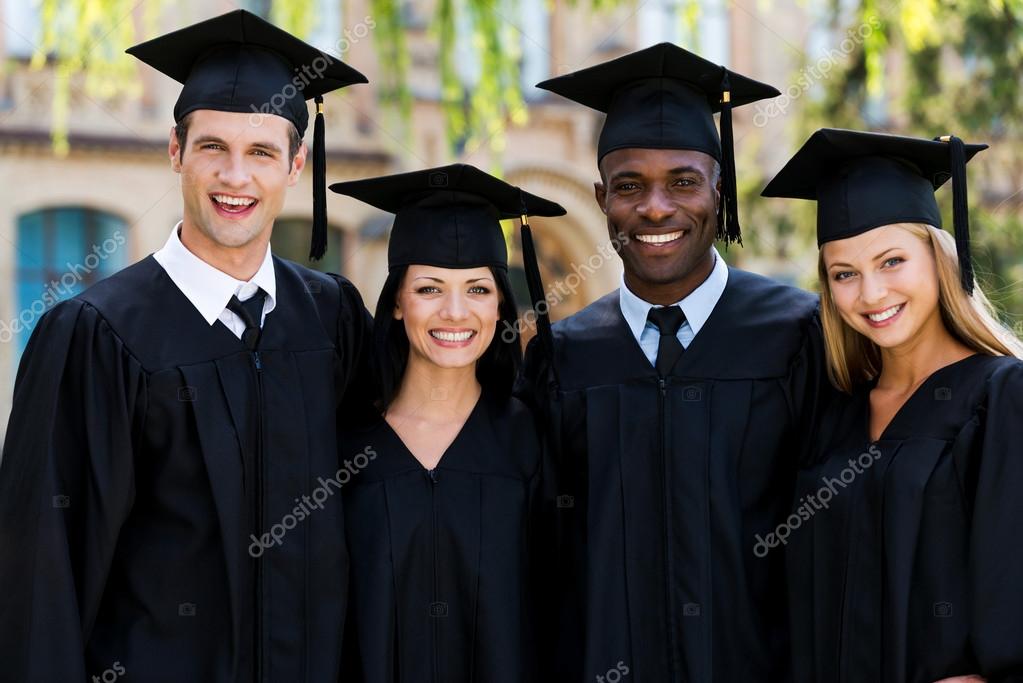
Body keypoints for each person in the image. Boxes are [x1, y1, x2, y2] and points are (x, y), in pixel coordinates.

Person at [0, 10, 372, 682]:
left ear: (295, 166)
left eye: (261, 152)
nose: (235, 176)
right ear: (175, 151)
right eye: (211, 147)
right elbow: (40, 576)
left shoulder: (329, 318)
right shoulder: (95, 335)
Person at [517, 43, 829, 682]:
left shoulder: (799, 335)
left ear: (720, 189)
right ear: (602, 198)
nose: (656, 208)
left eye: (683, 181)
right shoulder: (563, 356)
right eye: (630, 186)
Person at [763, 128, 1023, 683]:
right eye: (844, 274)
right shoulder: (833, 412)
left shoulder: (1001, 395)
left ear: (939, 258)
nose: (871, 295)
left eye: (891, 261)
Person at [329, 163, 565, 682]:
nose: (456, 313)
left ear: (501, 303)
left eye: (478, 290)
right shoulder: (345, 445)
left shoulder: (533, 441)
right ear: (396, 302)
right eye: (430, 289)